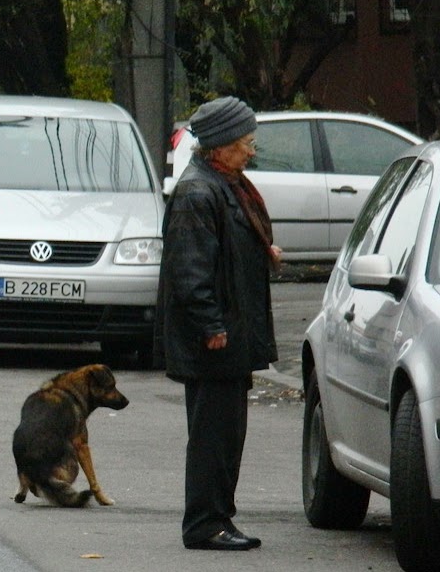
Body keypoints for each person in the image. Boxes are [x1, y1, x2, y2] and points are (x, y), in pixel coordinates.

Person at [153, 96, 280, 551]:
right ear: (221, 145)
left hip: (227, 336)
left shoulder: (222, 185)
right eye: (245, 142)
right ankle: (206, 523)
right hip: (213, 342)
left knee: (225, 434)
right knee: (213, 437)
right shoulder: (198, 192)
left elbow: (222, 251)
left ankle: (217, 517)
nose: (251, 150)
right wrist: (212, 326)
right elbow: (190, 273)